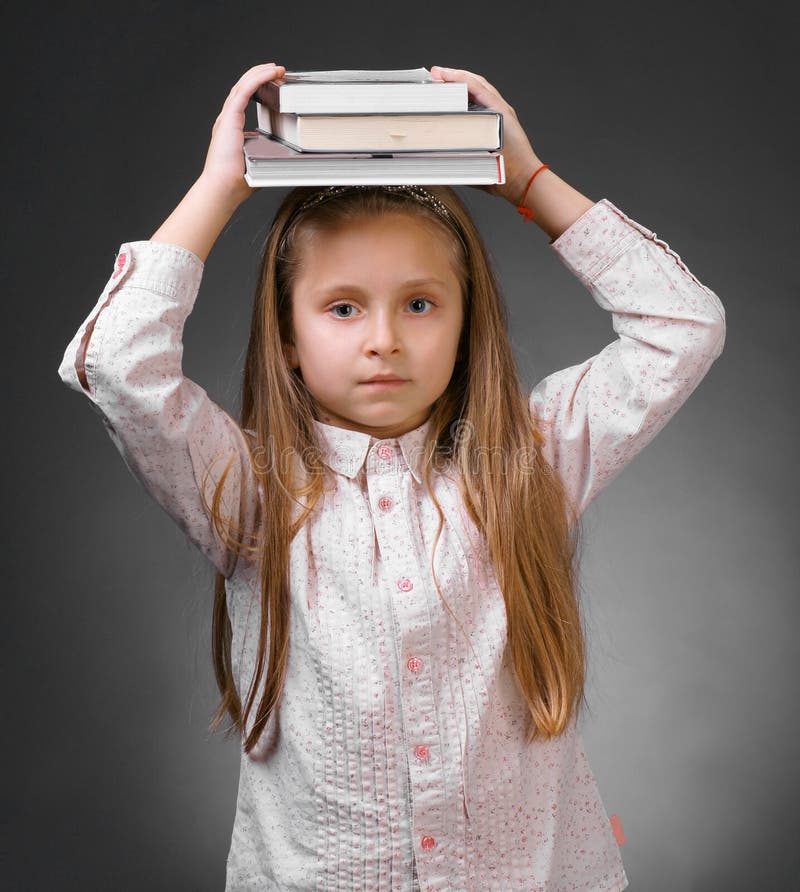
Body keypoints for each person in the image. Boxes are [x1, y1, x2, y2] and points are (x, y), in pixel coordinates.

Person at [57, 62, 725, 891]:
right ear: (289, 338)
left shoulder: (531, 461)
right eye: (342, 307)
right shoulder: (247, 492)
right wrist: (219, 189)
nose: (384, 339)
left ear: (464, 320)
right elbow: (116, 365)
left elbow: (684, 327)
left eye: (419, 303)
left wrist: (531, 182)